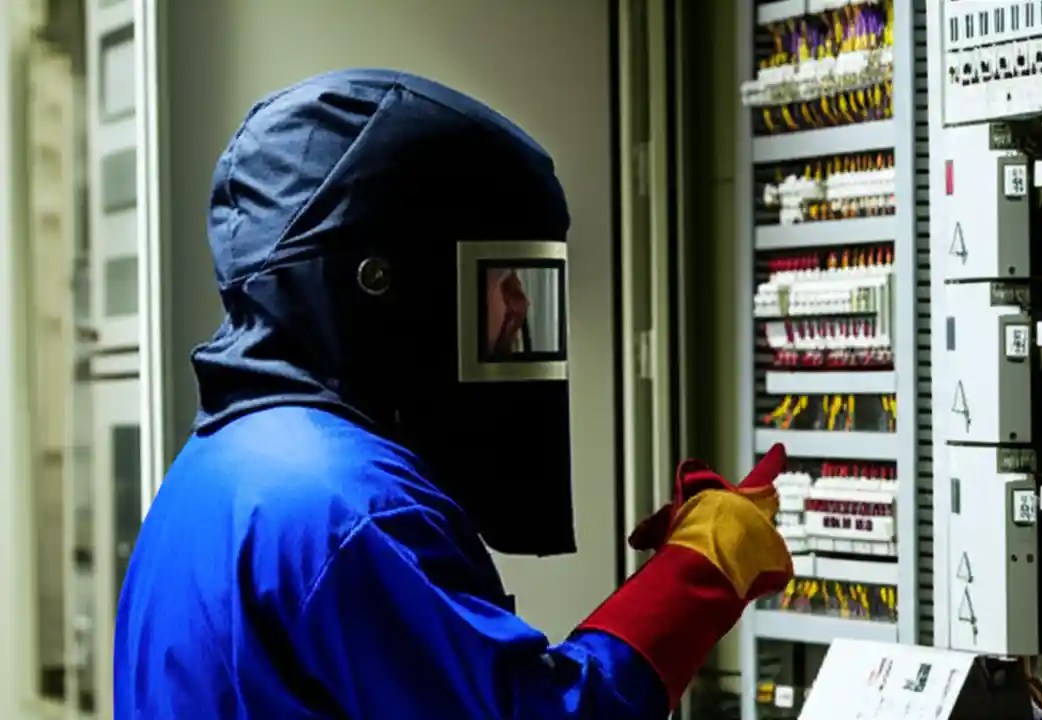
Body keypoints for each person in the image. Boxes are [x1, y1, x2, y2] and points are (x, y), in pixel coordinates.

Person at [114, 68, 794, 719]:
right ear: (389, 284)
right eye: (501, 275)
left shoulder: (221, 467)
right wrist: (702, 567)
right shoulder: (352, 510)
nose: (521, 307)